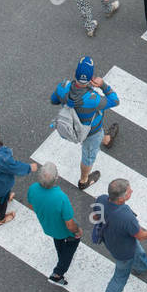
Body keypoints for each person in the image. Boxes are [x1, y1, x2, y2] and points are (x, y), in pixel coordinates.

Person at [49, 57, 119, 191]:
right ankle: (84, 180)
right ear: (91, 77)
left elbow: (54, 100)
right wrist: (103, 85)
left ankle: (106, 139)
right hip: (91, 132)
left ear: (75, 73)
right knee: (88, 157)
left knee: (96, 141)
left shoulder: (63, 87)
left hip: (72, 126)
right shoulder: (93, 99)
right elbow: (115, 101)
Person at [95, 178, 147, 292]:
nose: (131, 191)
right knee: (119, 279)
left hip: (111, 240)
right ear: (121, 198)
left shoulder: (101, 199)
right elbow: (141, 236)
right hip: (123, 251)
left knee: (137, 251)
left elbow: (95, 216)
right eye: (129, 191)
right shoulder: (126, 217)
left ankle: (142, 266)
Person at [27, 161, 83, 286]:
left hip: (48, 226)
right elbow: (69, 224)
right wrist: (77, 231)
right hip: (64, 229)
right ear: (56, 178)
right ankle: (57, 274)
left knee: (58, 240)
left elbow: (31, 205)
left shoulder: (32, 189)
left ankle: (61, 258)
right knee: (73, 241)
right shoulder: (61, 197)